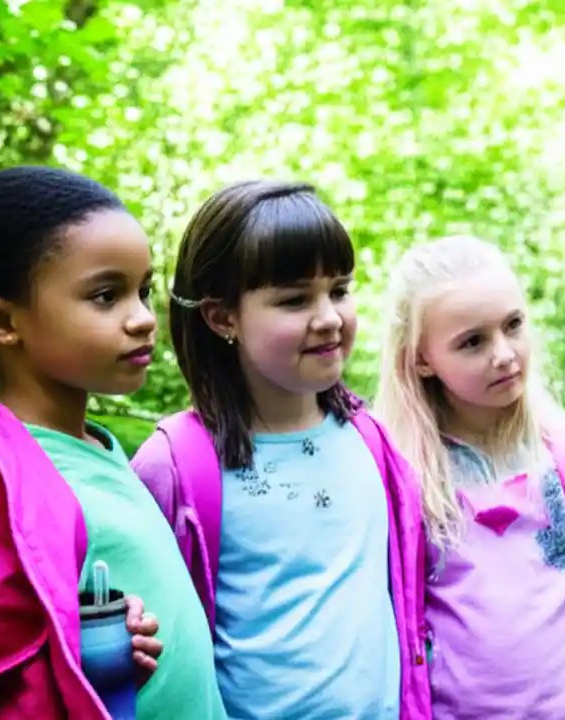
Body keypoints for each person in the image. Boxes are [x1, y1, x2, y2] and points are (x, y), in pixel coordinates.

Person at [130, 181, 427, 718]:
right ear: (223, 318)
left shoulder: (372, 442)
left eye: (339, 290)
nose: (330, 317)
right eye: (294, 300)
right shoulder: (175, 465)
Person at [373, 235, 565, 720]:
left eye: (513, 325)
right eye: (472, 342)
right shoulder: (399, 474)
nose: (504, 354)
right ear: (421, 359)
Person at [0, 165, 216, 719]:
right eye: (105, 295)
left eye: (141, 291)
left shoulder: (99, 446)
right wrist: (69, 668)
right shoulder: (5, 479)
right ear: (2, 321)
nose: (142, 319)